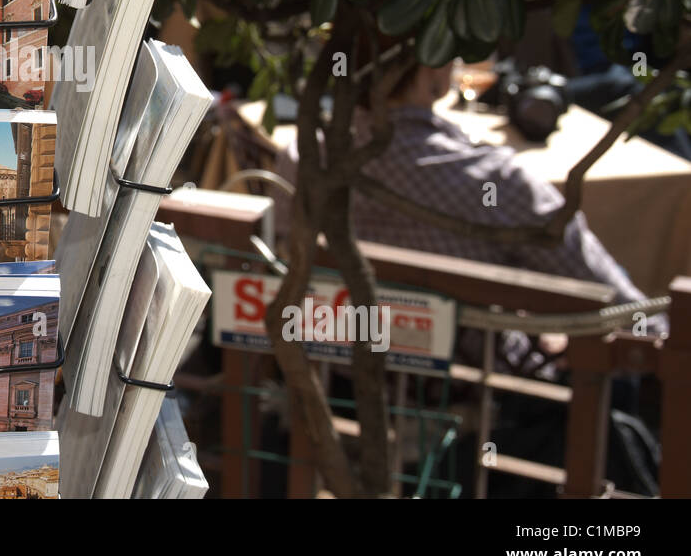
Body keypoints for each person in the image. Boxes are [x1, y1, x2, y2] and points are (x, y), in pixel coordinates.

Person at [275, 60, 662, 348]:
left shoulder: (301, 159)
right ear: (432, 66)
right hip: (489, 393)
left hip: (340, 377)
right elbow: (626, 312)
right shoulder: (497, 181)